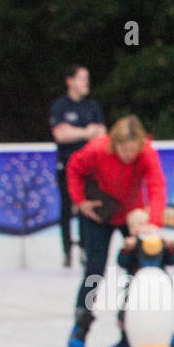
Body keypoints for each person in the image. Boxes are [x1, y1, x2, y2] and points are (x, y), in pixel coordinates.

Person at [62, 115, 165, 347]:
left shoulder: (147, 153)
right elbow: (74, 168)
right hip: (99, 214)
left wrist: (153, 224)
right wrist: (80, 202)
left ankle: (129, 329)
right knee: (95, 270)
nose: (129, 155)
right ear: (113, 144)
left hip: (131, 214)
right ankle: (80, 326)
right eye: (123, 150)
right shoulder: (97, 149)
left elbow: (156, 186)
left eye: (133, 150)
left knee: (139, 270)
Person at [49, 65, 105, 268]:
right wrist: (85, 132)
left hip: (89, 169)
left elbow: (101, 133)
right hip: (66, 166)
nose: (86, 83)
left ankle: (85, 248)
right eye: (82, 78)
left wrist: (77, 132)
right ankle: (67, 252)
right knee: (66, 208)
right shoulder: (60, 106)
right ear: (70, 81)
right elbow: (61, 134)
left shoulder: (92, 106)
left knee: (87, 209)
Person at [108, 207, 174, 347]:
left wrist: (171, 248)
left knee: (165, 310)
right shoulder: (132, 245)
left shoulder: (159, 243)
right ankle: (125, 339)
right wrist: (127, 249)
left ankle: (169, 336)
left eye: (142, 223)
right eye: (134, 225)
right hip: (135, 287)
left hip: (158, 288)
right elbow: (122, 263)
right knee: (126, 312)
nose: (139, 228)